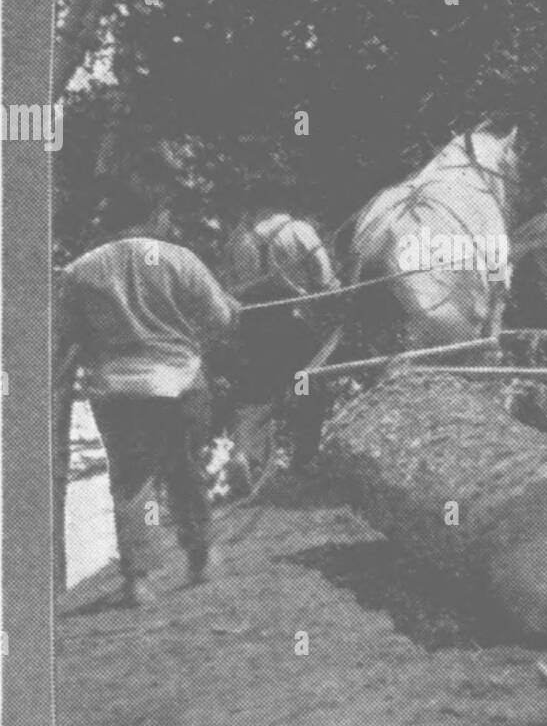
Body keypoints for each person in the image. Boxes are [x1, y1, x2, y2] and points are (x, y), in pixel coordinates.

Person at [57, 186, 239, 606]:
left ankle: (138, 581)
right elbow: (220, 318)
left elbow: (68, 337)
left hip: (116, 389)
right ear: (157, 214)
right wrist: (198, 341)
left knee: (130, 480)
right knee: (184, 469)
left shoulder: (80, 271)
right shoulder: (180, 259)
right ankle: (201, 556)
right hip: (180, 382)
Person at [220, 186, 339, 488]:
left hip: (255, 327)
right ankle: (304, 460)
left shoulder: (239, 238)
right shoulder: (300, 231)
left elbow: (229, 284)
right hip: (296, 325)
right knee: (308, 389)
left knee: (256, 392)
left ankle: (245, 454)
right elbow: (325, 281)